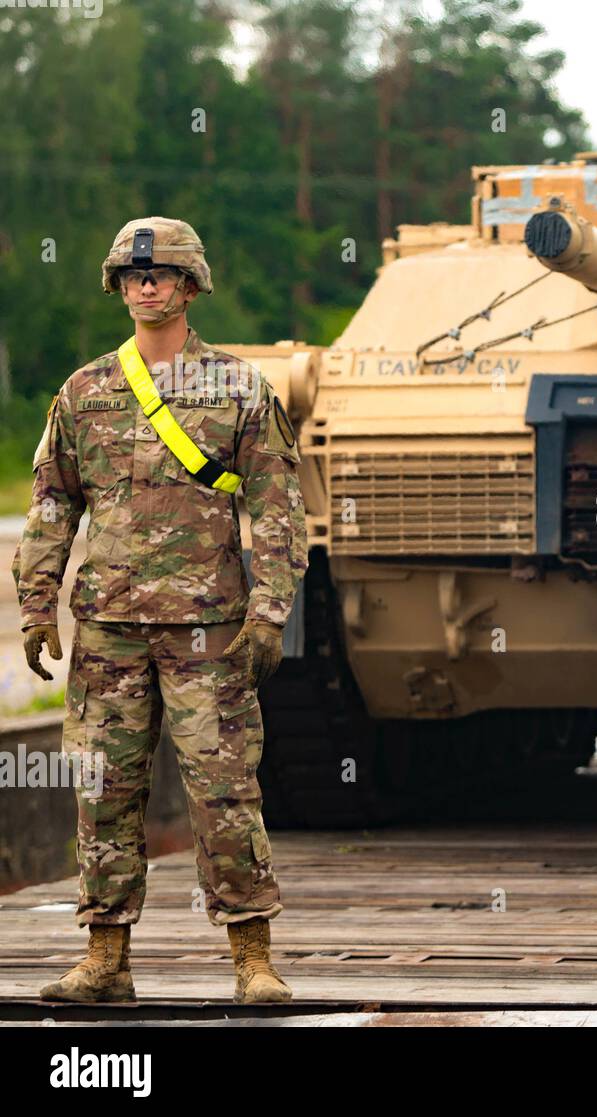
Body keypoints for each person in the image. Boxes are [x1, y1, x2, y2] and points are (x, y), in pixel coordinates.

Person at [12, 217, 308, 1004]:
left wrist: (271, 610)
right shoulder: (85, 391)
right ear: (118, 286)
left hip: (209, 628)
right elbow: (51, 506)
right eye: (133, 275)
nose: (146, 285)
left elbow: (278, 511)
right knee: (102, 790)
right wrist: (36, 602)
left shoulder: (240, 390)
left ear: (189, 285)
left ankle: (252, 959)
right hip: (107, 628)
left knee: (224, 790)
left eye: (162, 273)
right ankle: (105, 959)